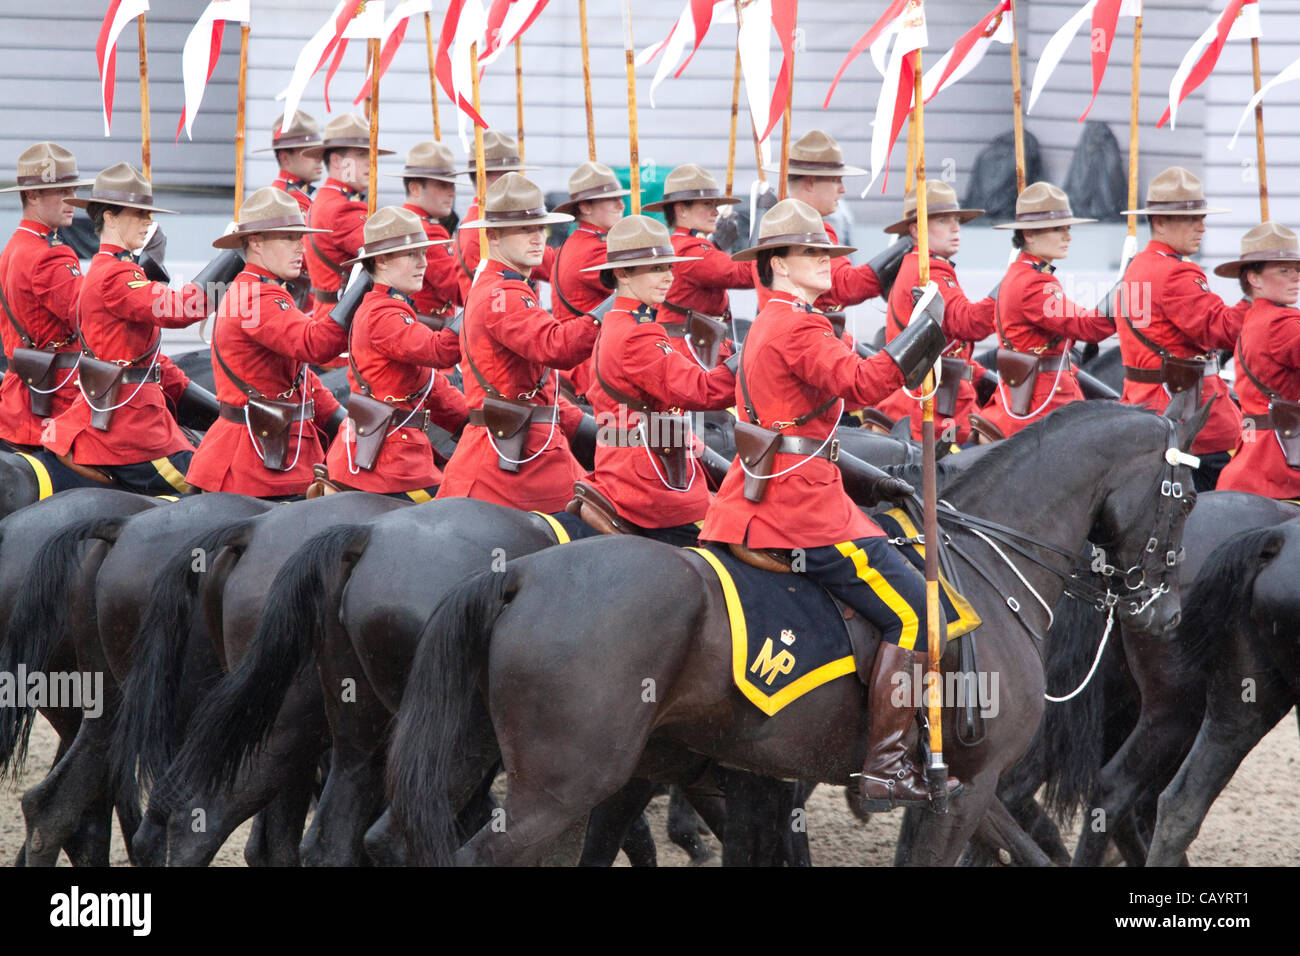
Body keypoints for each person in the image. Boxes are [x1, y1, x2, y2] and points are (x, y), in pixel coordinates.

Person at [700, 198, 956, 810]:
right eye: (812, 253)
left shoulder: (769, 320)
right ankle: (886, 767)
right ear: (778, 265)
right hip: (802, 509)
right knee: (922, 614)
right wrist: (927, 330)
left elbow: (806, 428)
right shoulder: (799, 325)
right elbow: (864, 386)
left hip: (769, 492)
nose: (826, 261)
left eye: (827, 252)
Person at [41, 163, 230, 494]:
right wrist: (235, 257)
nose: (148, 222)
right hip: (133, 427)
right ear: (111, 218)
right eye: (138, 214)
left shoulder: (113, 270)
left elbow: (144, 353)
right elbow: (183, 309)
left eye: (148, 215)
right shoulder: (115, 275)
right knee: (214, 488)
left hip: (126, 412)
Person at [436, 173, 596, 513]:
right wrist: (613, 310)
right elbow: (557, 347)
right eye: (524, 229)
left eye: (540, 228)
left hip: (518, 441)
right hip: (520, 458)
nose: (538, 237)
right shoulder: (504, 293)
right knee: (607, 523)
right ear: (493, 235)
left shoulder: (504, 284)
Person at [573, 215, 734, 545]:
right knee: (743, 535)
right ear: (622, 273)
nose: (668, 277)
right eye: (657, 268)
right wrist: (748, 362)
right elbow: (701, 391)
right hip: (648, 482)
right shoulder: (637, 334)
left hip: (638, 462)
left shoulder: (618, 322)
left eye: (669, 268)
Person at [186, 188, 350, 499]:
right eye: (288, 238)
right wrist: (361, 292)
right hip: (260, 463)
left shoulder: (252, 288)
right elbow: (316, 345)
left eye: (300, 238)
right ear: (257, 242)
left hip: (262, 449)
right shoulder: (259, 295)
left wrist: (340, 419)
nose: (300, 247)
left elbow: (296, 374)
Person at [1116, 167, 1250, 490]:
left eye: (1201, 218)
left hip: (1145, 409)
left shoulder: (1138, 266)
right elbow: (1227, 331)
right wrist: (1257, 293)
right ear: (1160, 222)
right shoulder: (1176, 274)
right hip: (1197, 426)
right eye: (1191, 219)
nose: (1201, 227)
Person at [323, 206, 467, 501]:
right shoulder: (382, 314)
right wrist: (477, 305)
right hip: (387, 462)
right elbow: (439, 352)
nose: (423, 264)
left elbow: (429, 384)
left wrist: (472, 420)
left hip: (394, 453)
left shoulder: (392, 309)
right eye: (411, 254)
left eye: (424, 254)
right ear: (383, 260)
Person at [978, 182, 1114, 439]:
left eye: (1068, 228)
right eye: (1058, 229)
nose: (1068, 236)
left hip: (1035, 392)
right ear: (1029, 235)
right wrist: (1134, 293)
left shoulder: (1023, 273)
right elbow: (1089, 327)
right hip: (1045, 403)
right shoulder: (1035, 283)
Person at [874, 181, 995, 442]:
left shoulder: (921, 265)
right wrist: (1008, 293)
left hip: (939, 397)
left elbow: (951, 345)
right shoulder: (930, 271)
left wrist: (984, 375)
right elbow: (970, 323)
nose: (955, 227)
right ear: (917, 230)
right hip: (934, 406)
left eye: (956, 219)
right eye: (942, 220)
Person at [754, 130, 909, 315]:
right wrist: (907, 245)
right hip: (802, 334)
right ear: (810, 182)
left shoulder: (774, 226)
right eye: (836, 180)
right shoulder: (807, 232)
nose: (843, 189)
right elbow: (847, 286)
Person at [0, 142, 92, 451]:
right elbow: (89, 318)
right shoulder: (51, 255)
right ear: (33, 195)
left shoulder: (13, 247)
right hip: (57, 400)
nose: (72, 201)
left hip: (18, 398)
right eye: (62, 192)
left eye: (74, 190)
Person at [1214, 223, 1300, 499]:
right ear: (1255, 278)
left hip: (1252, 459)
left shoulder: (1254, 317)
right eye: (1283, 270)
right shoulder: (1282, 323)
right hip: (1280, 468)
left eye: (1297, 270)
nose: (1295, 278)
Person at [643, 164, 752, 365]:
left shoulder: (678, 243)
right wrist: (768, 243)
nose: (716, 213)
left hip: (698, 343)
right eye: (707, 205)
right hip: (693, 351)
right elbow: (743, 274)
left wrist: (715, 244)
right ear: (682, 209)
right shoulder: (690, 249)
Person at [549, 161, 630, 397]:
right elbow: (644, 286)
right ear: (585, 207)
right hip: (592, 366)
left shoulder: (578, 243)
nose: (621, 204)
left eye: (620, 197)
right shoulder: (594, 251)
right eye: (610, 198)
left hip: (585, 359)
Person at [302, 114, 393, 322]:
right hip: (343, 317)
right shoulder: (342, 207)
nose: (370, 163)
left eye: (370, 155)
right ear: (336, 160)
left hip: (333, 311)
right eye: (361, 155)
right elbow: (388, 254)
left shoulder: (327, 198)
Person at [452, 131, 556, 303]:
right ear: (482, 177)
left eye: (515, 175)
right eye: (507, 176)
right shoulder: (482, 230)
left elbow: (550, 262)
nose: (514, 182)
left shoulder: (483, 222)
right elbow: (555, 267)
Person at [389, 140, 467, 325]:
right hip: (431, 332)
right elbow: (460, 291)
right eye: (442, 185)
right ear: (415, 188)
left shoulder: (401, 222)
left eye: (452, 185)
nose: (452, 193)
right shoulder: (428, 231)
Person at [261, 110, 325, 214]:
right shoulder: (287, 200)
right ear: (285, 158)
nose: (319, 158)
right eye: (309, 152)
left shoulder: (294, 194)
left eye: (318, 151)